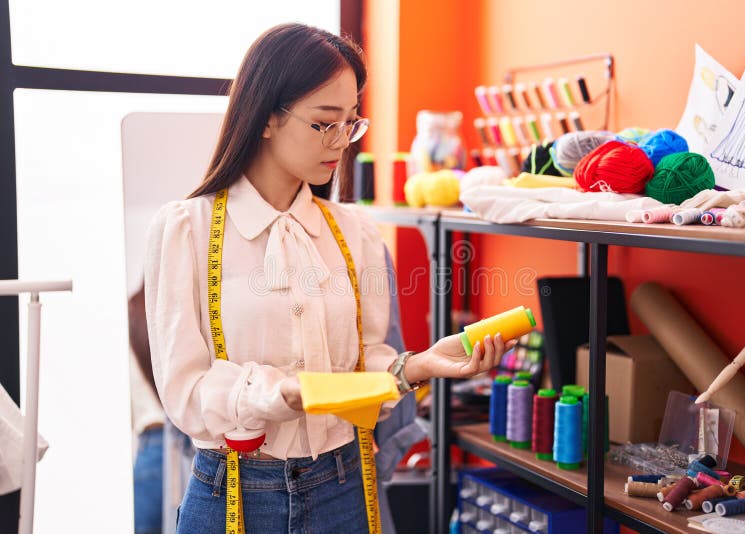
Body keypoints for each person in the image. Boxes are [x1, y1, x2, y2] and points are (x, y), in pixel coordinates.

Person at [144, 23, 515, 533]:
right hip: (234, 489)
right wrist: (285, 394)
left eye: (351, 123)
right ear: (267, 117)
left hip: (343, 488)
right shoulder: (186, 229)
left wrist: (421, 366)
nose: (341, 141)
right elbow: (185, 391)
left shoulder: (356, 232)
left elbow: (367, 366)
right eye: (325, 123)